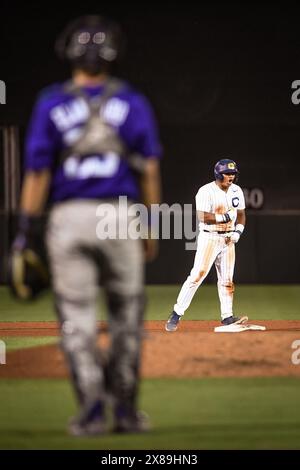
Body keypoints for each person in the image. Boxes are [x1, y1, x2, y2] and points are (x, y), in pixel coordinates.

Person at [12, 15, 162, 436]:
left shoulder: (50, 102)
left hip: (69, 217)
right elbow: (149, 168)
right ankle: (127, 412)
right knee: (126, 316)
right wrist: (150, 223)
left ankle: (93, 412)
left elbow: (37, 172)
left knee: (76, 319)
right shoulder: (131, 101)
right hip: (118, 215)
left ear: (69, 54)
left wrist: (26, 230)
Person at [165, 158, 247, 332]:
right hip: (210, 238)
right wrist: (223, 218)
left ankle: (227, 317)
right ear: (218, 174)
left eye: (233, 173)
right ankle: (176, 313)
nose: (231, 176)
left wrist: (238, 231)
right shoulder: (206, 191)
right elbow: (202, 216)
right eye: (227, 173)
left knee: (226, 280)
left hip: (228, 239)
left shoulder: (236, 190)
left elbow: (241, 214)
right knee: (197, 275)